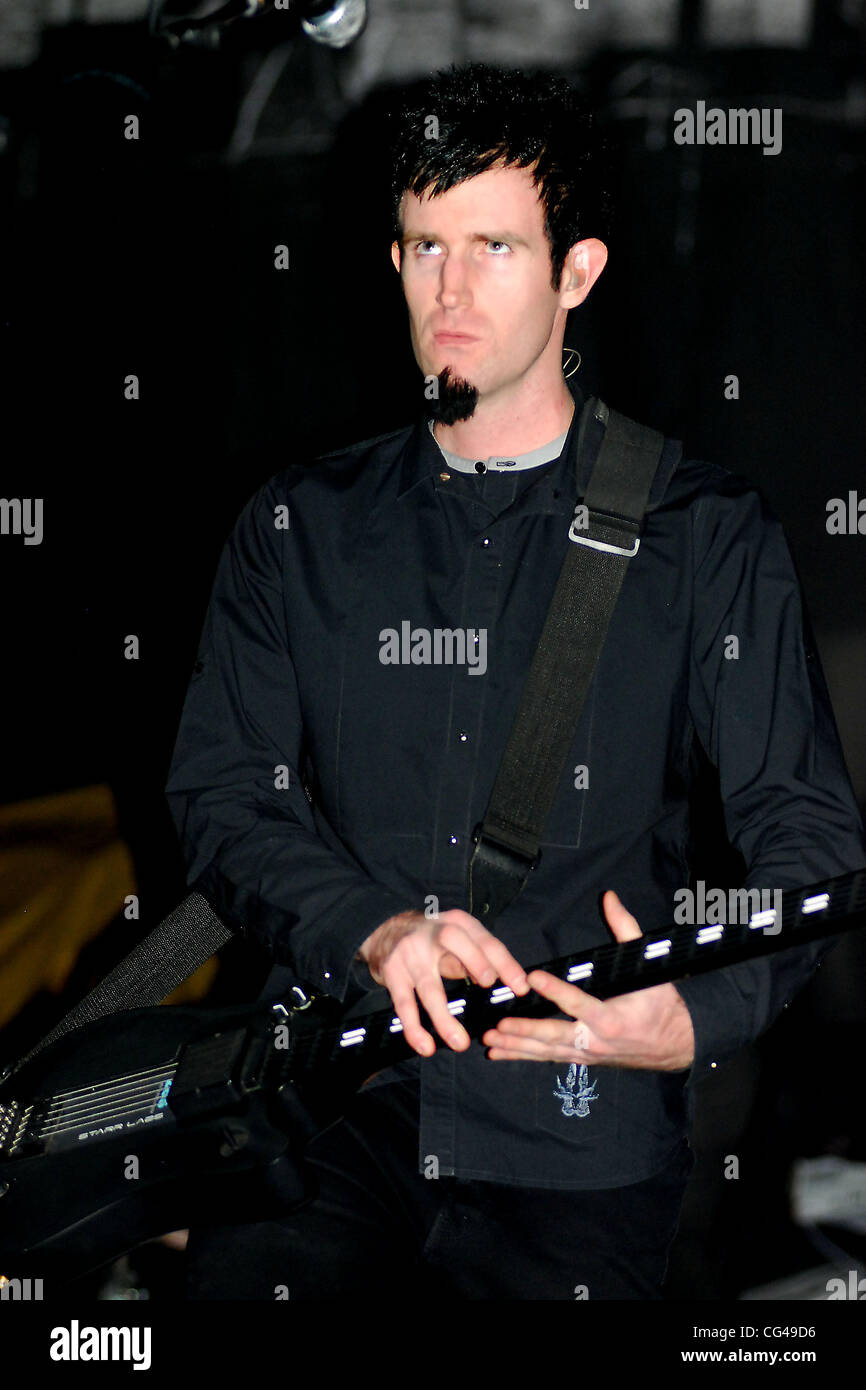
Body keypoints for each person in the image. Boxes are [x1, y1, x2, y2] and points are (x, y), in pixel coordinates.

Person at [164, 62, 866, 1299]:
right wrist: (374, 931)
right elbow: (224, 797)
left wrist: (695, 1015)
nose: (449, 288)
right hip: (318, 1121)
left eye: (491, 245)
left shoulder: (704, 537)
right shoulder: (293, 528)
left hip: (572, 1147)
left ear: (575, 273)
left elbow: (804, 836)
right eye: (424, 246)